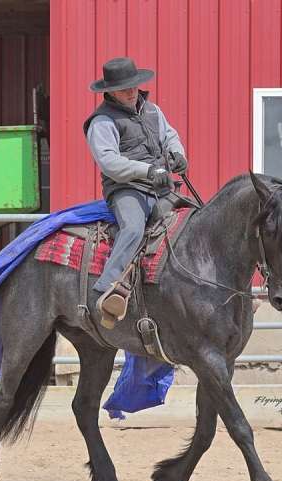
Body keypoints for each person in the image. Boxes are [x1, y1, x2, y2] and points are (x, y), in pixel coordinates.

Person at [83, 57, 188, 328]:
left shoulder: (153, 111)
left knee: (190, 220)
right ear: (110, 91)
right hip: (126, 189)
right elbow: (109, 163)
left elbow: (170, 136)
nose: (131, 91)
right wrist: (147, 171)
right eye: (124, 88)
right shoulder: (102, 121)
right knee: (132, 227)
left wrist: (178, 154)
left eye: (134, 86)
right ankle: (107, 287)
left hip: (160, 188)